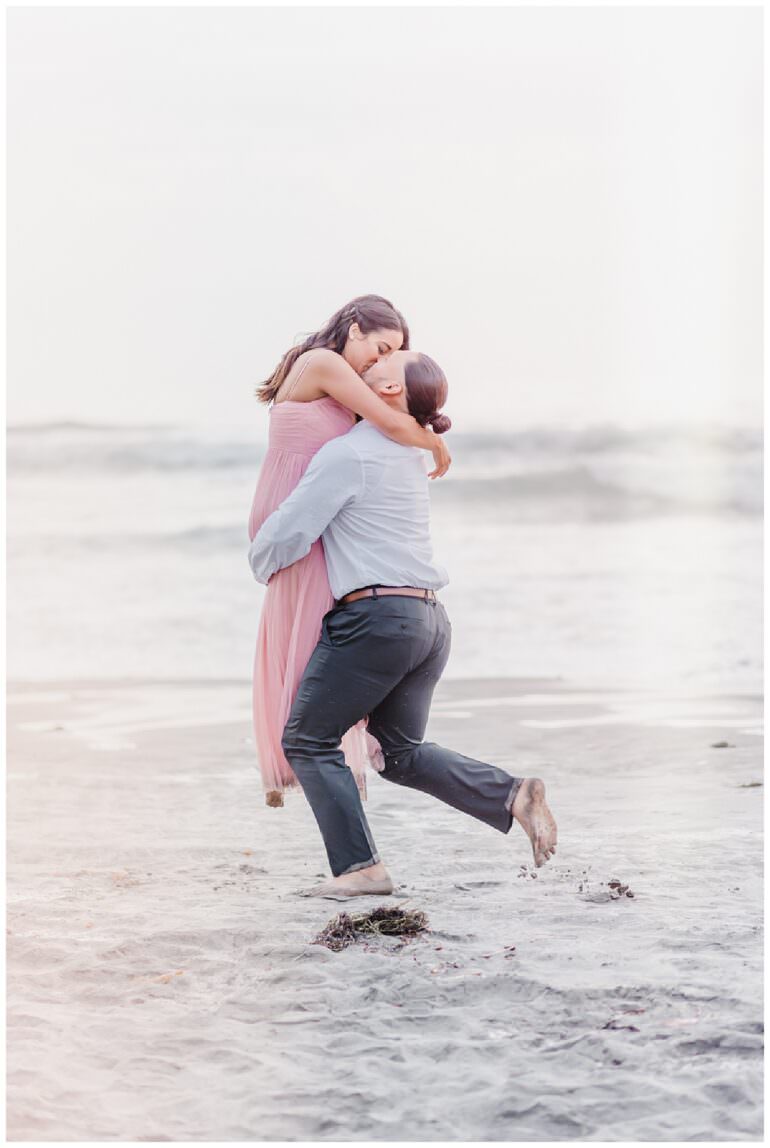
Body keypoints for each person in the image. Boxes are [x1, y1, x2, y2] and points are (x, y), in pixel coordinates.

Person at [248, 350, 557, 898]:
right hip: (429, 621)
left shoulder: (350, 455)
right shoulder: (406, 455)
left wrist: (260, 559)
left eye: (376, 372)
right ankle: (512, 795)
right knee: (399, 752)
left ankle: (360, 869)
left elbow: (290, 532)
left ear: (390, 393)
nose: (361, 374)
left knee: (308, 739)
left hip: (377, 621)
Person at [248, 295, 451, 809]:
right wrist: (435, 444)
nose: (377, 361)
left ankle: (311, 763)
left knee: (314, 643)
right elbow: (389, 420)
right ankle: (304, 757)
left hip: (307, 514)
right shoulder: (324, 362)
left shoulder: (326, 369)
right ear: (355, 327)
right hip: (296, 516)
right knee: (310, 646)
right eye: (380, 347)